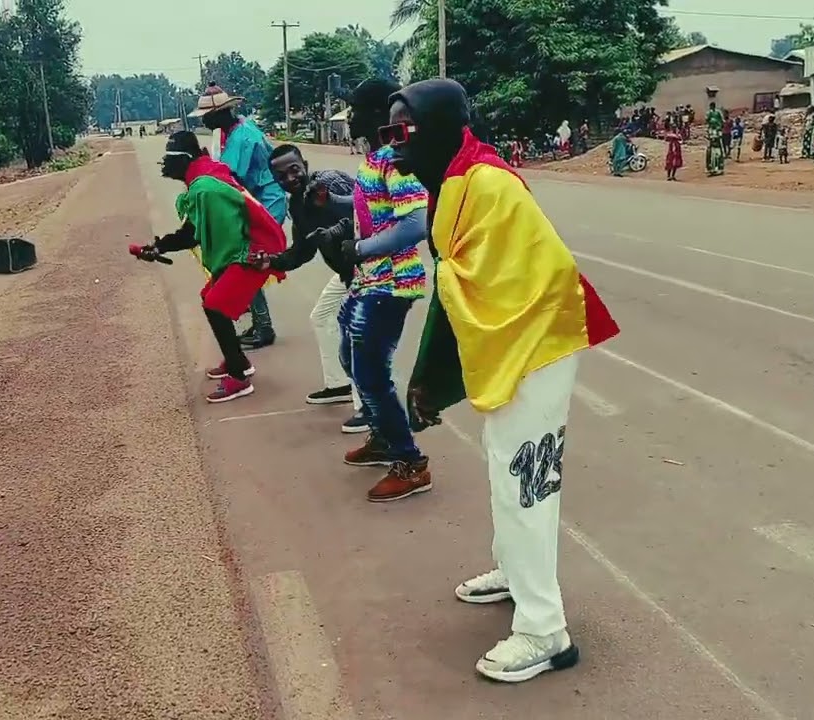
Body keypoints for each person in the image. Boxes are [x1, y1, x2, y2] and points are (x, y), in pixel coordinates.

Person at [391, 78, 620, 683]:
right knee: (505, 461)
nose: (393, 145)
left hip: (541, 339)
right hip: (520, 339)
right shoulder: (456, 179)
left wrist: (426, 381)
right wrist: (429, 380)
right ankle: (515, 574)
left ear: (438, 128)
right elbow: (461, 285)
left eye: (402, 131)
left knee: (527, 482)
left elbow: (459, 288)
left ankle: (545, 631)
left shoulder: (485, 184)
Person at [134, 131, 285, 402]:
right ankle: (238, 360)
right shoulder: (202, 178)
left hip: (255, 248)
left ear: (184, 159)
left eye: (169, 159)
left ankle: (239, 378)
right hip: (247, 244)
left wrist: (224, 271)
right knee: (210, 298)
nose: (164, 165)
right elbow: (193, 231)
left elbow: (214, 236)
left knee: (215, 304)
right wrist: (159, 247)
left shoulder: (204, 188)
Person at [335, 78, 432, 502]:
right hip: (369, 280)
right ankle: (381, 436)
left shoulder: (396, 160)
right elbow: (372, 212)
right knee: (349, 355)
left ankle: (411, 462)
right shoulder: (374, 159)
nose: (349, 117)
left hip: (392, 283)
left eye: (355, 109)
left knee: (371, 374)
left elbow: (414, 225)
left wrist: (360, 248)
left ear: (377, 115)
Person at [262, 143, 366, 431]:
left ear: (304, 165)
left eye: (294, 170)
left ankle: (367, 408)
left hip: (367, 269)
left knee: (355, 335)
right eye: (281, 176)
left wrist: (333, 232)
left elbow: (365, 213)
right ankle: (338, 384)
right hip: (345, 273)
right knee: (321, 317)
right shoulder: (296, 204)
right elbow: (304, 251)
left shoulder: (329, 181)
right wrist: (272, 262)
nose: (290, 178)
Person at [196, 82, 287, 350]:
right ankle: (260, 321)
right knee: (247, 261)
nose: (205, 119)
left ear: (222, 114)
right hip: (262, 200)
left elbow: (232, 177)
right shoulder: (238, 130)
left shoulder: (241, 138)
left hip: (267, 203)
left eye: (208, 115)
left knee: (248, 261)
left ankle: (264, 325)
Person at [704, 102, 725, 176]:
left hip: (717, 143)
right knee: (710, 154)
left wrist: (720, 127)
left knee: (718, 154)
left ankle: (719, 168)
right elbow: (706, 119)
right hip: (712, 143)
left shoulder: (718, 112)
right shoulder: (709, 129)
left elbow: (722, 121)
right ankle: (710, 168)